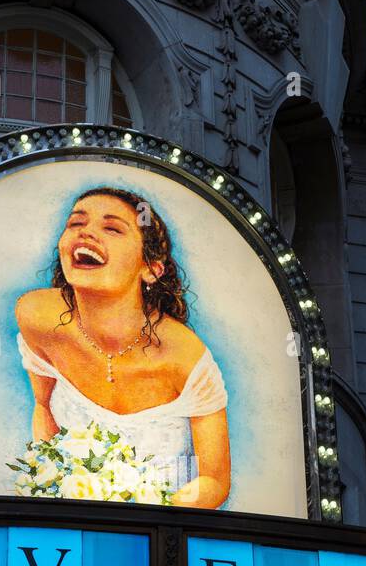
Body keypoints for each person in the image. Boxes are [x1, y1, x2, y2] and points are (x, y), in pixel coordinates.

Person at [14, 186, 231, 509]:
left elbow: (213, 481)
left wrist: (151, 514)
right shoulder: (36, 316)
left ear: (151, 269)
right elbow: (44, 408)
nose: (86, 233)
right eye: (76, 223)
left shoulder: (185, 356)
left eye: (112, 229)